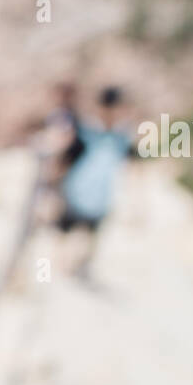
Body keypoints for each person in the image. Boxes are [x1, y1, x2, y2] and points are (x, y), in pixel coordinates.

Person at [55, 85, 133, 279]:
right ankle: (50, 275)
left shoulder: (122, 137)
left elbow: (132, 165)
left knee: (88, 241)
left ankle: (77, 271)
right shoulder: (87, 130)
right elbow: (67, 155)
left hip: (101, 199)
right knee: (61, 236)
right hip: (75, 191)